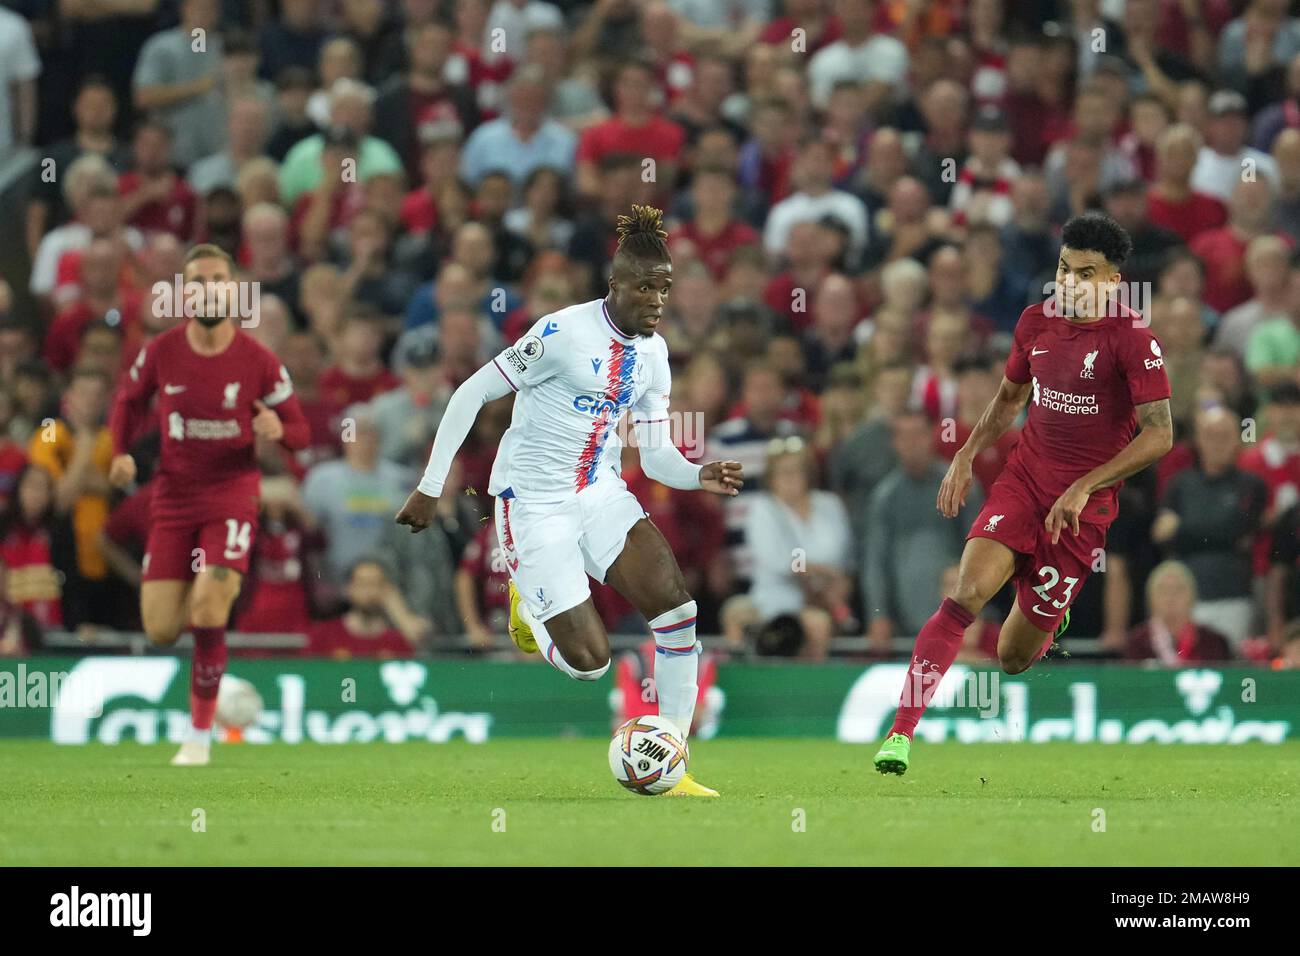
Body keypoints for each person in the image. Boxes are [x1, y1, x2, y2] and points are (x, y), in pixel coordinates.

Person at [395, 205, 743, 796]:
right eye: (645, 287)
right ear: (616, 285)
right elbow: (471, 393)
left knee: (678, 611)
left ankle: (676, 760)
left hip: (598, 490)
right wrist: (431, 486)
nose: (658, 300)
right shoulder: (560, 333)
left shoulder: (654, 355)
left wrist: (697, 474)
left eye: (665, 288)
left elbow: (656, 457)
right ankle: (527, 607)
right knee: (592, 663)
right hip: (532, 502)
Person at [874, 213, 1174, 775]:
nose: (1069, 282)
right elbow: (1011, 398)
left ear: (1112, 280)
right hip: (1025, 482)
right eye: (1064, 268)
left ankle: (1046, 616)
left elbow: (1160, 433)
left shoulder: (1133, 339)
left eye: (1085, 273)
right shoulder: (1037, 321)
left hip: (1081, 511)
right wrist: (965, 454)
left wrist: (1086, 486)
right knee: (965, 594)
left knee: (1012, 658)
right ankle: (900, 733)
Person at [107, 244, 311, 767]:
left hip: (231, 495)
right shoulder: (162, 351)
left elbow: (301, 431)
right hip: (173, 498)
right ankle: (217, 666)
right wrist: (122, 454)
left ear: (234, 290)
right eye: (196, 281)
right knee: (160, 628)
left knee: (207, 607)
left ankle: (198, 736)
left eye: (218, 279)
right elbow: (127, 402)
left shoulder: (258, 359)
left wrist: (278, 431)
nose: (207, 289)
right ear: (184, 294)